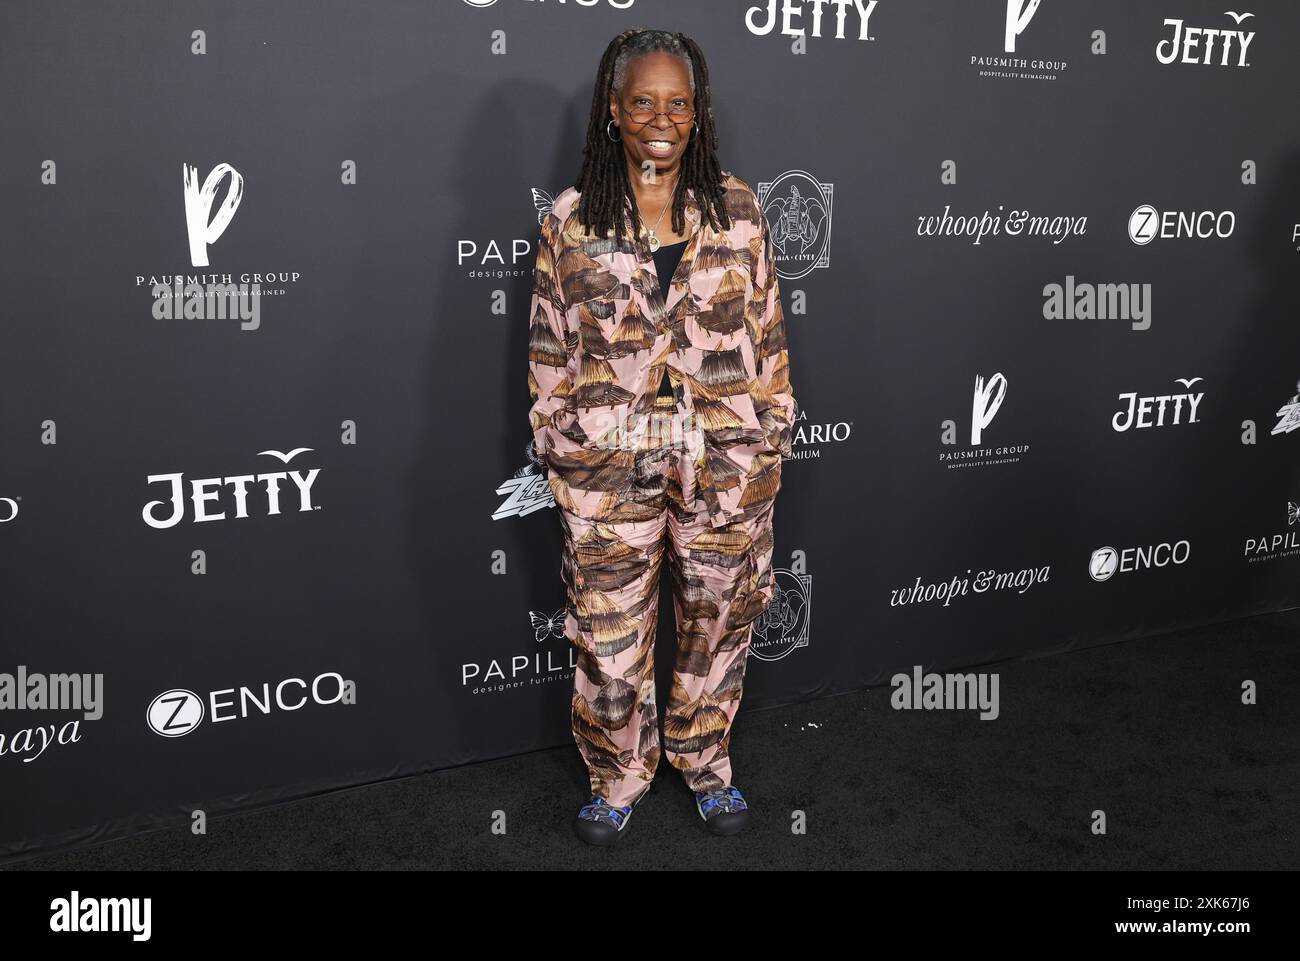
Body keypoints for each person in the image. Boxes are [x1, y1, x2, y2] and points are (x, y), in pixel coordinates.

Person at [526, 28, 798, 845]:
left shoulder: (741, 207)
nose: (661, 117)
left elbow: (769, 336)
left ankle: (705, 761)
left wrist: (771, 433)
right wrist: (562, 445)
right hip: (608, 470)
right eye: (642, 100)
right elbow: (548, 348)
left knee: (719, 621)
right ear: (614, 112)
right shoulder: (572, 222)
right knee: (608, 638)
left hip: (725, 466)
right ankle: (618, 774)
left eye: (678, 102)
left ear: (698, 111)